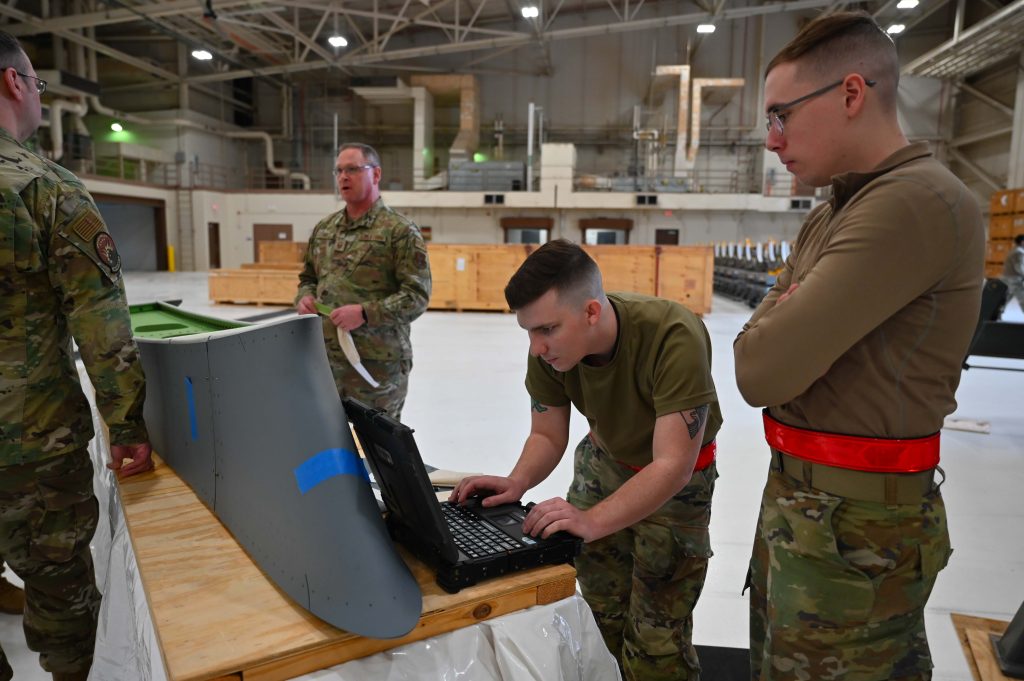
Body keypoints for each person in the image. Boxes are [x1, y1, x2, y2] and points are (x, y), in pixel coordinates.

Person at [734, 11, 983, 681]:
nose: (774, 140)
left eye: (783, 115)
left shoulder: (913, 203)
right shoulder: (835, 211)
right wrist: (783, 305)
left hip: (855, 535)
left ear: (850, 95)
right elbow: (765, 339)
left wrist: (784, 306)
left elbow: (760, 365)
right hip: (811, 515)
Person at [450, 240, 723, 680]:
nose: (537, 346)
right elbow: (546, 433)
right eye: (530, 332)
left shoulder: (673, 333)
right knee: (597, 618)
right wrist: (517, 482)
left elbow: (672, 465)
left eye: (547, 330)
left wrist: (592, 520)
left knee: (657, 638)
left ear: (591, 312)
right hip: (603, 465)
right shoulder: (551, 352)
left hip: (678, 488)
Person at [0, 30, 154, 681]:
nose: (38, 93)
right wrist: (126, 424)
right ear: (14, 83)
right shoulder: (46, 191)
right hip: (30, 442)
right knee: (61, 590)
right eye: (36, 82)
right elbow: (101, 325)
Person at [296, 142, 431, 420]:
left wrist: (365, 313)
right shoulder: (324, 230)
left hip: (377, 367)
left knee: (379, 451)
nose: (343, 177)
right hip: (326, 362)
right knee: (330, 444)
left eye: (353, 169)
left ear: (376, 174)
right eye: (339, 170)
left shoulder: (399, 231)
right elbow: (308, 278)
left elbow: (417, 296)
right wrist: (305, 297)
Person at [1001, 234, 1024, 313]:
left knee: (1004, 299)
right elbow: (1019, 268)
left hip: (1008, 279)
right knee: (1023, 299)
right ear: (1022, 242)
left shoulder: (1014, 251)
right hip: (1014, 280)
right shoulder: (1019, 252)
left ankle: (994, 315)